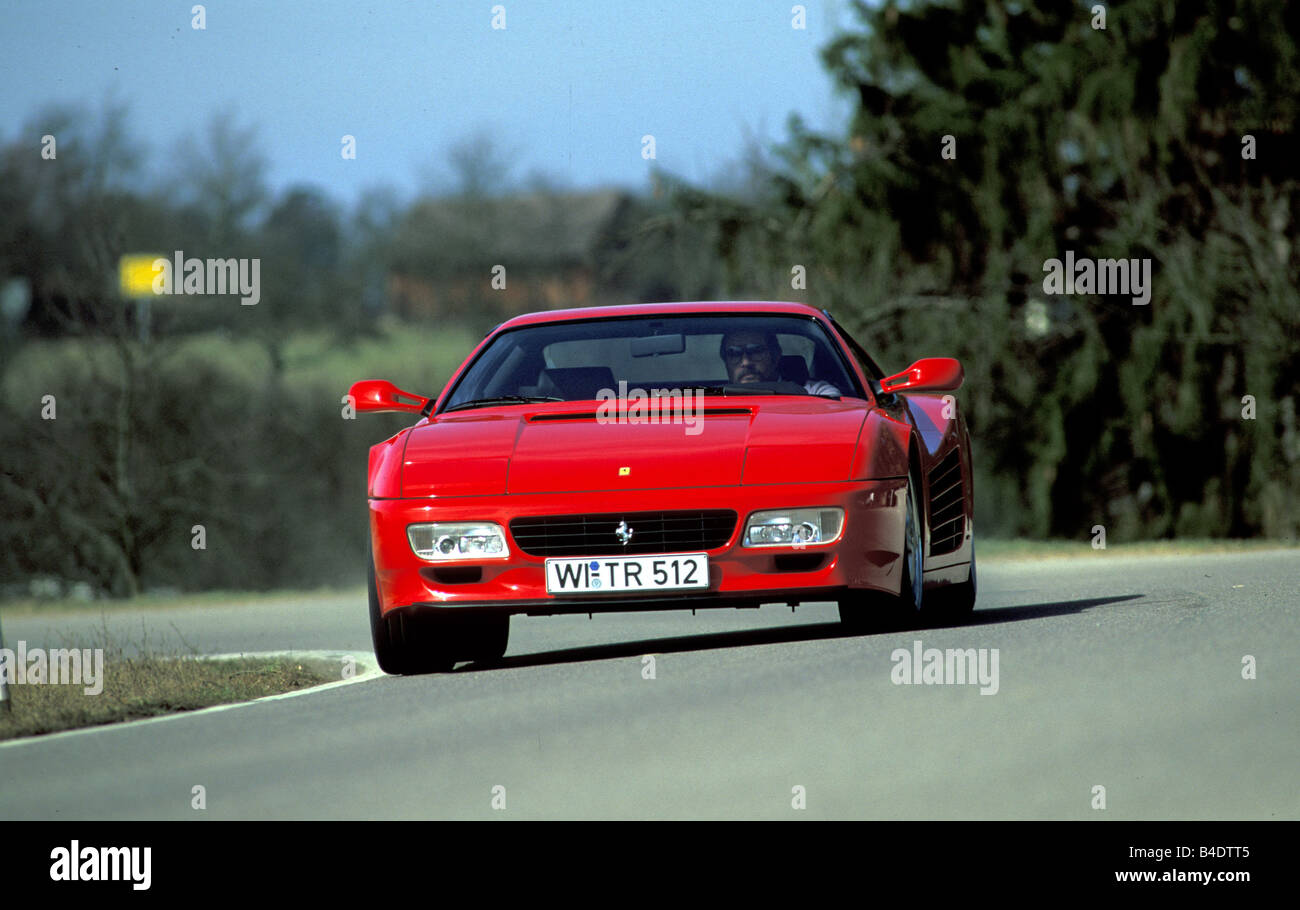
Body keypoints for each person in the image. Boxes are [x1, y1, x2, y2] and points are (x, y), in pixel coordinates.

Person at [719, 328, 841, 396]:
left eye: (756, 351)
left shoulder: (815, 393)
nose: (746, 362)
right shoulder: (711, 400)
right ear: (725, 361)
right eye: (734, 353)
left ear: (776, 355)